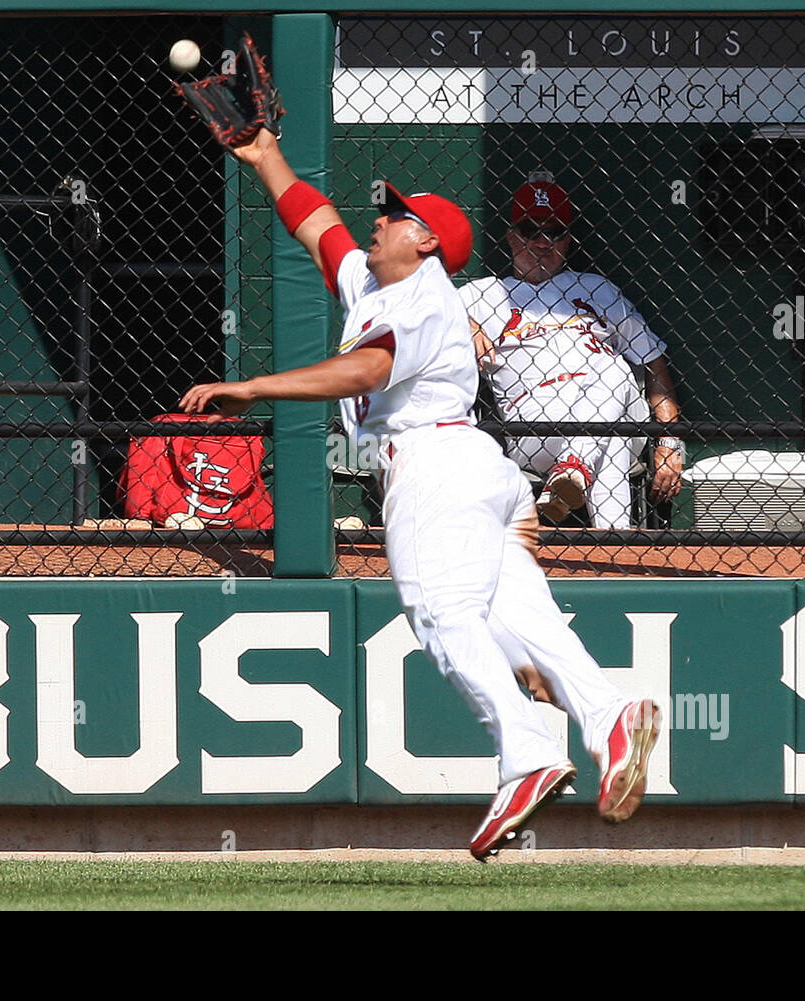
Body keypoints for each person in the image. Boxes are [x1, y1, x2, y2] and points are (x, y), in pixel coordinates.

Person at [179, 127, 660, 860]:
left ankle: (528, 750)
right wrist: (268, 155)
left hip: (435, 465)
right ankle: (608, 712)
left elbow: (366, 372)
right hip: (478, 469)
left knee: (442, 612)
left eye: (397, 214)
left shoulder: (428, 299)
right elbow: (321, 229)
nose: (379, 219)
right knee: (519, 615)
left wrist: (252, 387)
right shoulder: (378, 282)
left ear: (428, 241)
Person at [459, 175, 685, 527]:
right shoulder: (481, 295)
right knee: (609, 432)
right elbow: (419, 311)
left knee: (612, 372)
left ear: (569, 240)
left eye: (554, 232)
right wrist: (462, 322)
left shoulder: (597, 289)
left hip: (614, 407)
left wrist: (669, 443)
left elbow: (652, 359)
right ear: (509, 235)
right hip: (534, 426)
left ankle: (573, 469)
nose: (541, 243)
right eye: (529, 230)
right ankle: (616, 546)